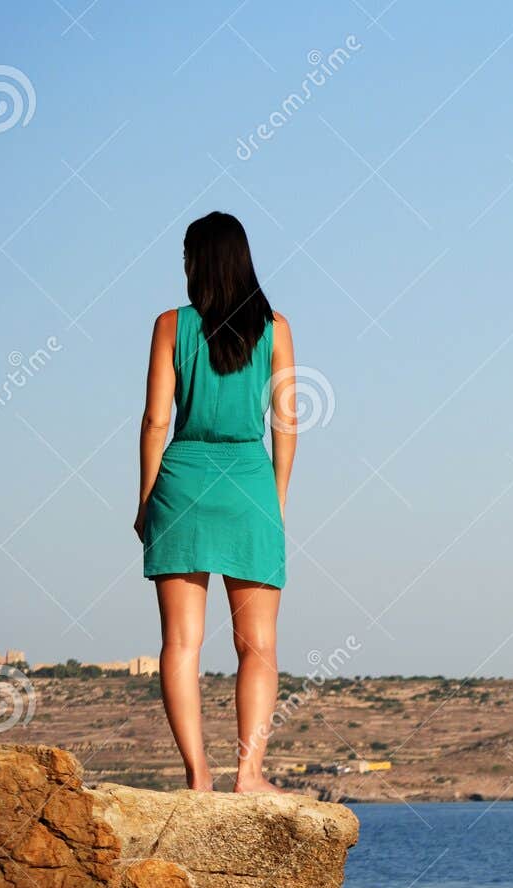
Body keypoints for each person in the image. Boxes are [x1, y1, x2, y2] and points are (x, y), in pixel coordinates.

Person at [134, 211, 296, 793]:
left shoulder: (169, 325)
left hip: (182, 479)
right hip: (251, 482)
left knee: (181, 641)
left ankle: (198, 776)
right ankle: (248, 774)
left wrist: (146, 498)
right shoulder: (276, 328)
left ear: (197, 263)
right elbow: (287, 422)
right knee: (259, 645)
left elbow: (156, 421)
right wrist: (273, 501)